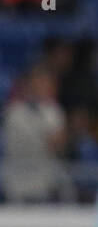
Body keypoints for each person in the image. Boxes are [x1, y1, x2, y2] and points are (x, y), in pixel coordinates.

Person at [2, 66, 69, 203]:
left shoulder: (53, 112)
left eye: (47, 84)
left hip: (43, 181)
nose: (43, 87)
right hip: (15, 181)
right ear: (31, 84)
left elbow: (60, 147)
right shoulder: (13, 111)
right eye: (39, 83)